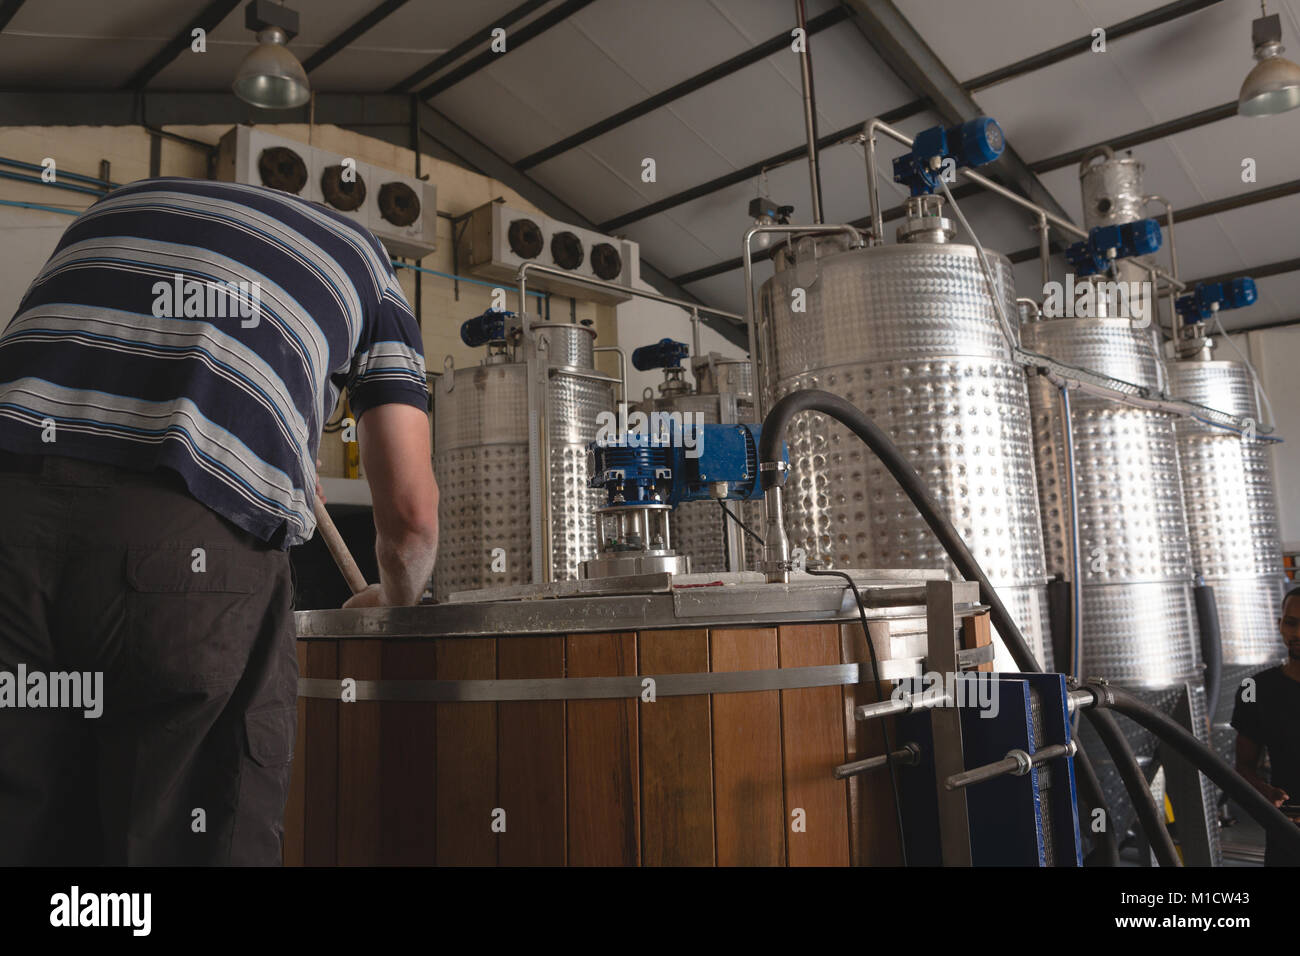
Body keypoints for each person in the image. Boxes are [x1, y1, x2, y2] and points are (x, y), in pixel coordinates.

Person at [0, 177, 438, 865]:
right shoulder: (367, 258)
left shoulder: (113, 207)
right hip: (179, 550)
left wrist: (273, 454)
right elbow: (411, 515)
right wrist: (397, 600)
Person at [1231, 584, 1300, 866]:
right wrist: (1265, 792)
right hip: (1287, 833)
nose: (1298, 634)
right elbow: (1244, 767)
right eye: (1292, 623)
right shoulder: (1257, 689)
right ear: (1279, 624)